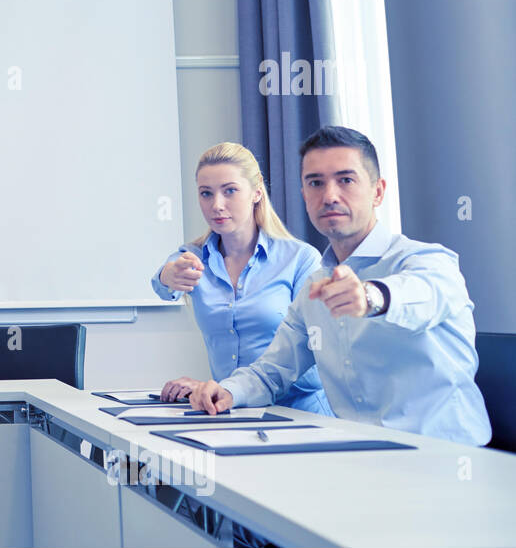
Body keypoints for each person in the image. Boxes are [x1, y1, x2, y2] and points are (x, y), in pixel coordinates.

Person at [185, 126, 491, 446]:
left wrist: (371, 296)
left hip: (444, 459)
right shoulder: (315, 288)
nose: (329, 195)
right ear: (304, 195)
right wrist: (228, 390)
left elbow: (424, 293)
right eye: (316, 183)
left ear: (378, 192)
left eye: (346, 180)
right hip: (359, 456)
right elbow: (271, 370)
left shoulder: (428, 261)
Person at [153, 142, 332, 416]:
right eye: (206, 194)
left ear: (256, 191)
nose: (217, 205)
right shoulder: (195, 257)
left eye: (230, 191)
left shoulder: (300, 259)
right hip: (234, 414)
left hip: (301, 414)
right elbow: (163, 280)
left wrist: (232, 389)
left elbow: (314, 354)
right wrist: (168, 276)